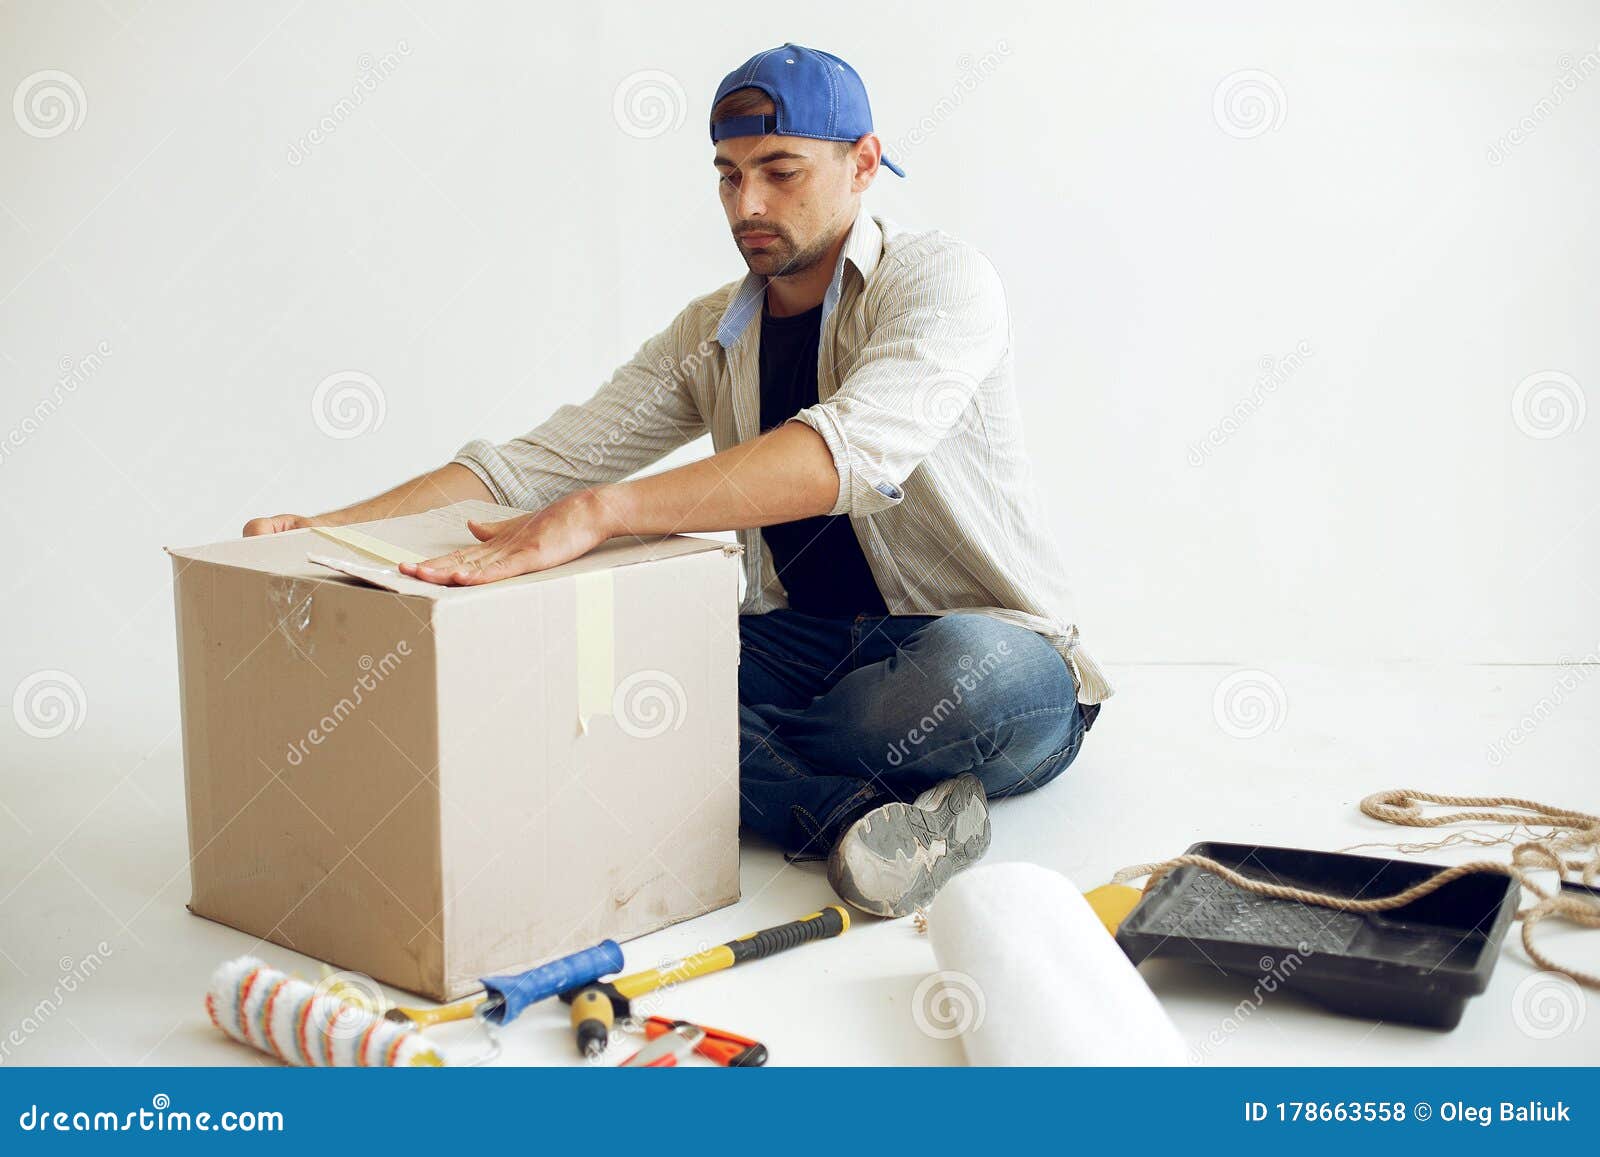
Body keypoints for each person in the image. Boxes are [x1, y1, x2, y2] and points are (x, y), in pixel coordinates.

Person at [245, 43, 1113, 918]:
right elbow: (523, 468)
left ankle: (752, 771)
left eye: (779, 170)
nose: (750, 205)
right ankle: (857, 817)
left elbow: (843, 456)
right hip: (799, 642)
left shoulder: (939, 281)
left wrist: (603, 513)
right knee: (601, 697)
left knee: (972, 678)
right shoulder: (712, 333)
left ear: (863, 163)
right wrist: (321, 528)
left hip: (988, 645)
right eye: (728, 176)